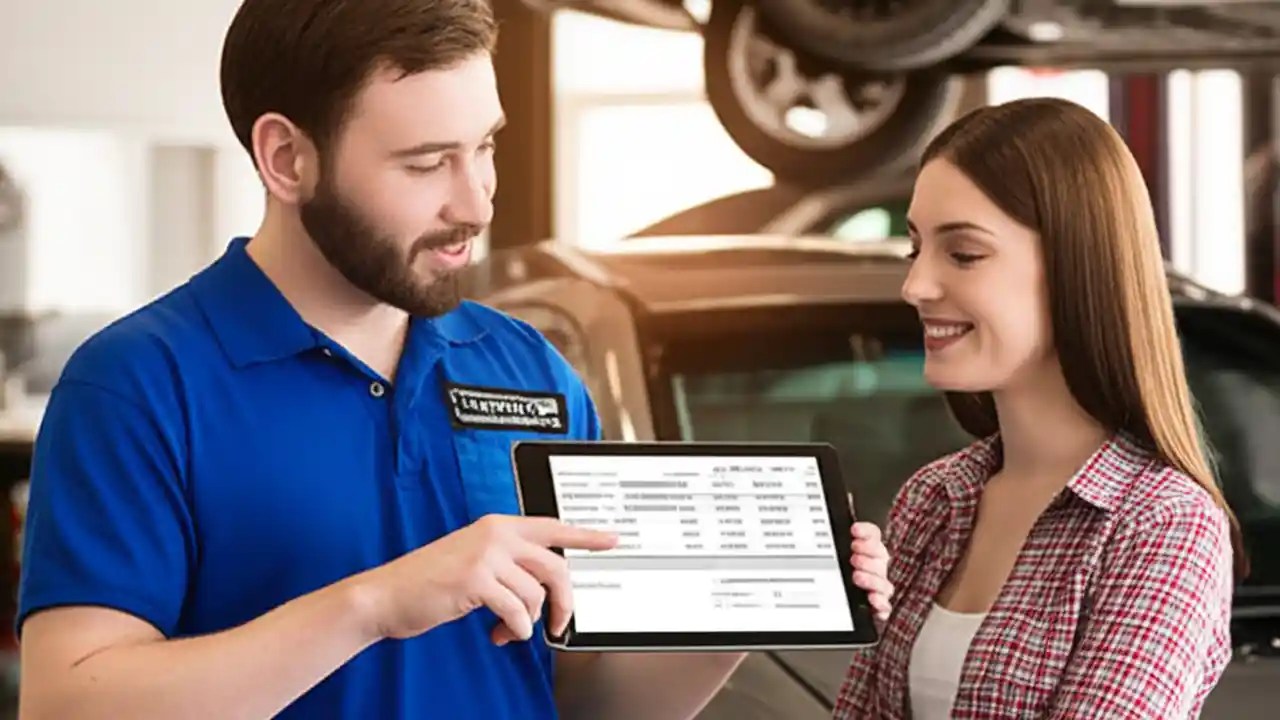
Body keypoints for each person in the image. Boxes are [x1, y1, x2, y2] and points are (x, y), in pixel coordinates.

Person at [14, 1, 895, 718]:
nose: (476, 200)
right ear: (287, 158)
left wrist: (752, 603)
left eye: (486, 146)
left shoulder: (528, 370)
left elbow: (581, 701)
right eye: (427, 162)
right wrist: (374, 604)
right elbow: (70, 702)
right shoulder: (136, 383)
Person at [833, 97, 1244, 719]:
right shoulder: (934, 499)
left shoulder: (1161, 526)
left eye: (964, 254)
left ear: (1076, 266)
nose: (915, 286)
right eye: (914, 249)